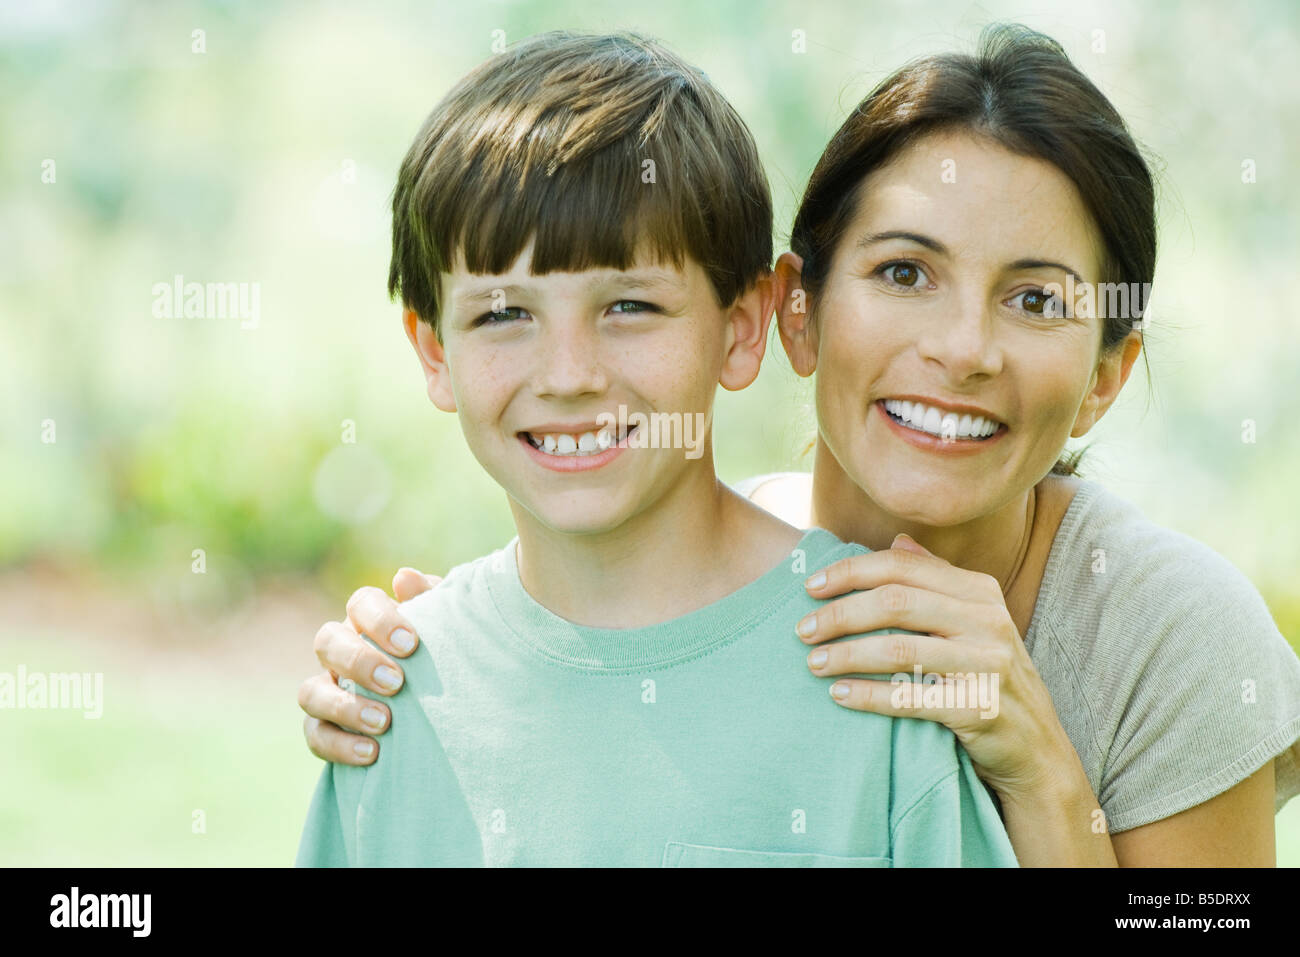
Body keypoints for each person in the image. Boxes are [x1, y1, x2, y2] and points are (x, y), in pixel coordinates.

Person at [299, 23, 1300, 867]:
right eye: (905, 272)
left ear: (1104, 379)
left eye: (1034, 299)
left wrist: (1037, 764)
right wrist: (442, 661)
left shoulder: (1172, 635)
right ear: (793, 314)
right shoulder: (709, 567)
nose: (960, 350)